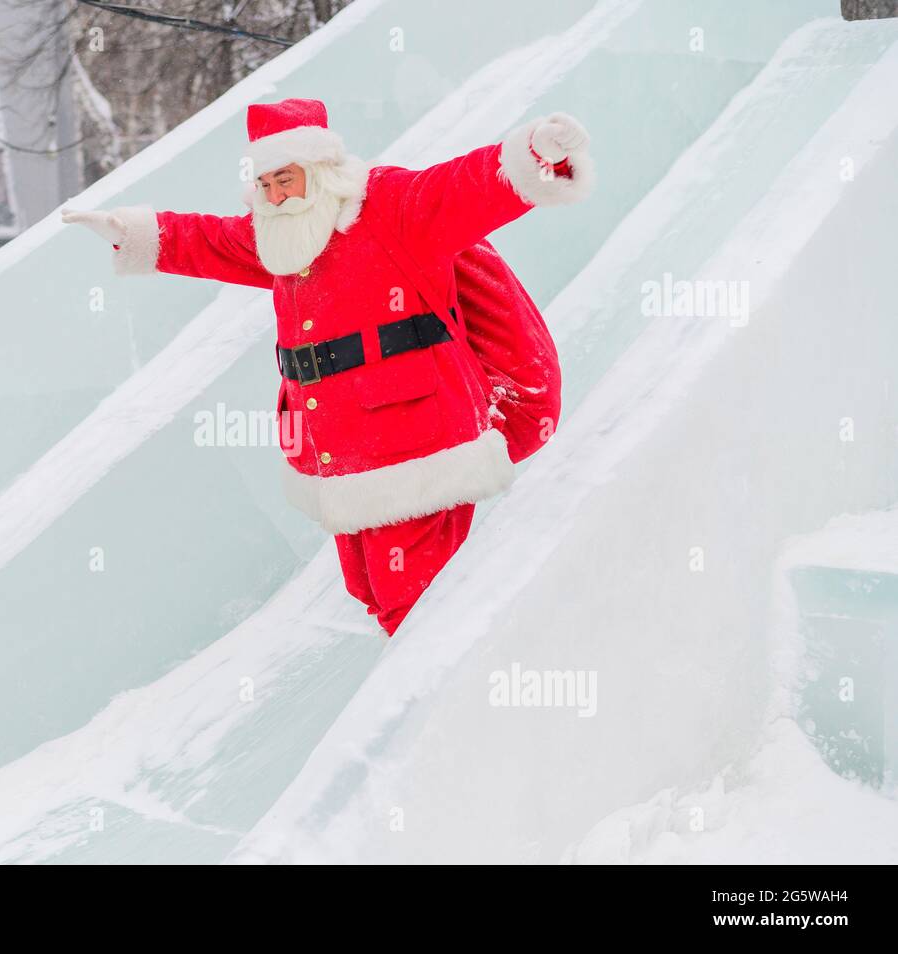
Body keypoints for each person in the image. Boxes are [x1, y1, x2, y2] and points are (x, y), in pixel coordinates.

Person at [63, 98, 593, 635]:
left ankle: (447, 704)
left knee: (417, 604)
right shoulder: (280, 235)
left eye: (285, 180)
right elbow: (210, 240)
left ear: (319, 169)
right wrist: (126, 231)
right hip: (339, 454)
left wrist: (536, 154)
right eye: (265, 184)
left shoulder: (390, 204)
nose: (273, 196)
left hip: (414, 446)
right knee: (372, 590)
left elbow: (467, 186)